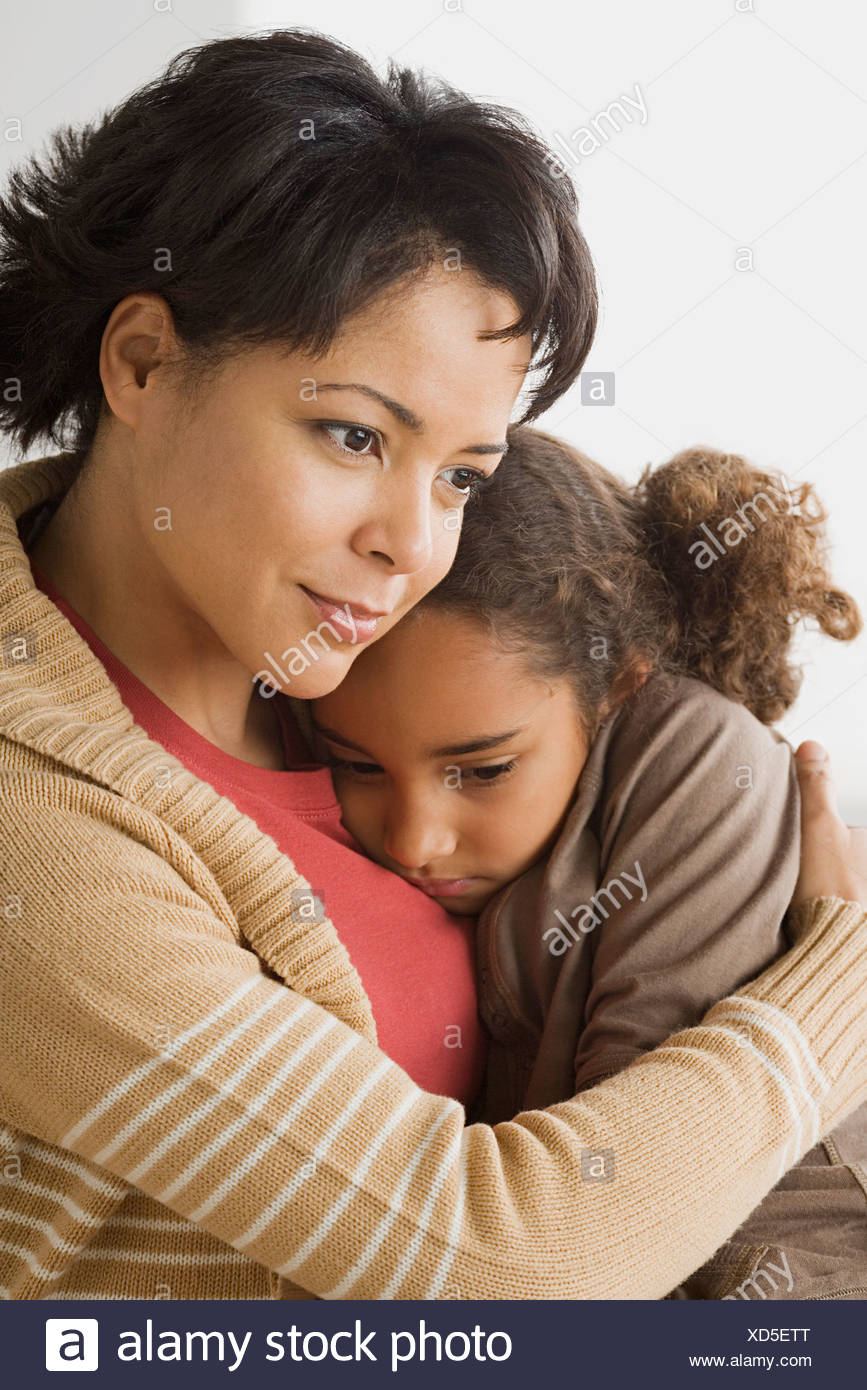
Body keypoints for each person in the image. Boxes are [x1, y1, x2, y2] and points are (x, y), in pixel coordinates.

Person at [0, 29, 866, 1302]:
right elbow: (494, 1265)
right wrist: (840, 987)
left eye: (462, 473)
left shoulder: (335, 663)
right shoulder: (37, 823)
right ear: (142, 361)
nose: (411, 545)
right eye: (352, 434)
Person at [308, 426, 867, 1299]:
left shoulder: (696, 755)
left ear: (617, 689)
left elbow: (635, 1174)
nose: (414, 840)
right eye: (359, 765)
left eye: (484, 770)